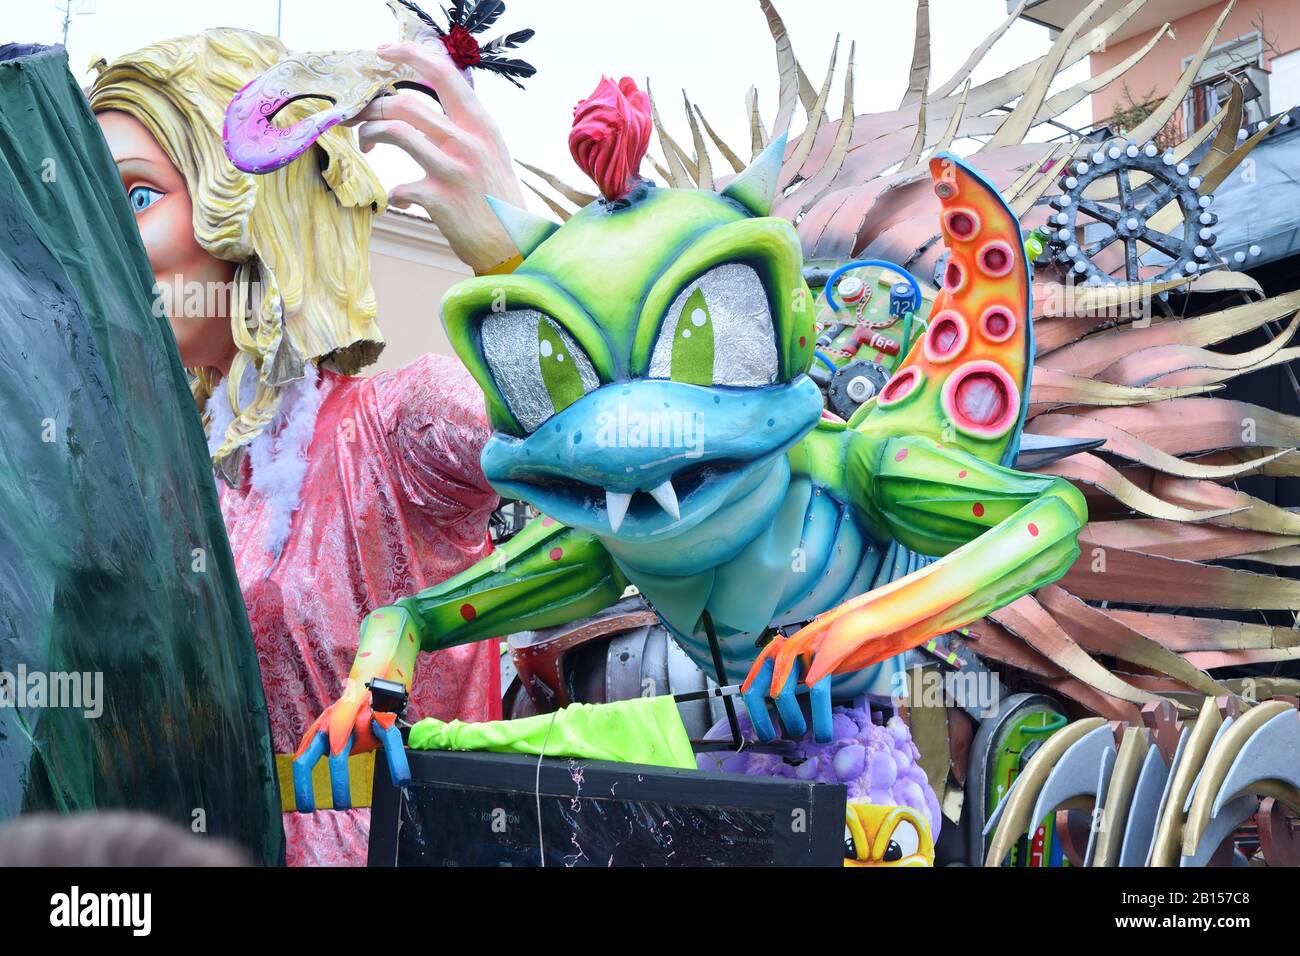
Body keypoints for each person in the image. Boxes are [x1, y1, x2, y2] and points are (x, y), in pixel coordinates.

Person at [89, 28, 527, 865]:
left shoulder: (405, 425)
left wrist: (513, 254)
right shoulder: (187, 485)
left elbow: (590, 427)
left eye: (136, 198)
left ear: (250, 205)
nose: (107, 249)